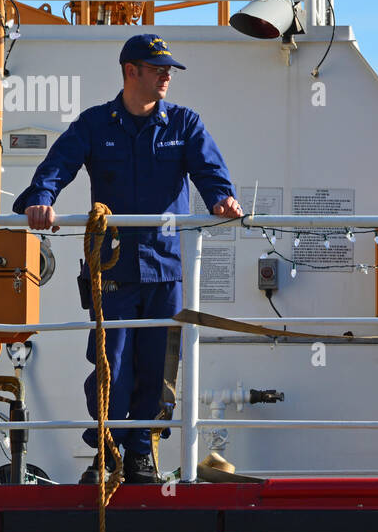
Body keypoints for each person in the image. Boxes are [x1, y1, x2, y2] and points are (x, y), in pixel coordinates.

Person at [13, 33, 243, 484]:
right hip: (113, 268)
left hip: (165, 268)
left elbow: (211, 172)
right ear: (130, 72)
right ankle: (108, 449)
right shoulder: (96, 124)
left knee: (157, 367)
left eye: (169, 71)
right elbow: (57, 167)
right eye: (158, 69)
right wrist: (40, 199)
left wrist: (222, 200)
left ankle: (140, 453)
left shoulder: (184, 125)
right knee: (111, 366)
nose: (166, 77)